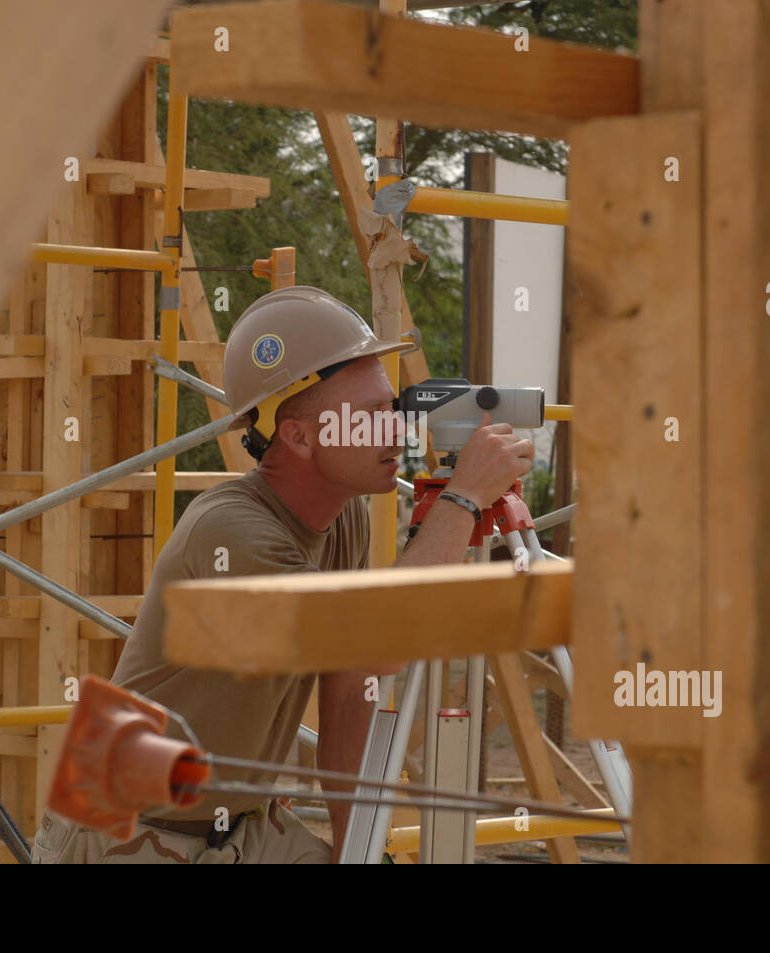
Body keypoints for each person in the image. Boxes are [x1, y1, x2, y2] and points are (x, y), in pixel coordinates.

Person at [31, 286, 534, 864]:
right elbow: (383, 643)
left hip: (239, 829)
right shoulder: (229, 530)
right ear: (297, 436)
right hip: (123, 831)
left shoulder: (343, 518)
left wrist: (356, 850)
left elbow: (350, 698)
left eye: (393, 407)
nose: (396, 428)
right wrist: (464, 497)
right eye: (370, 414)